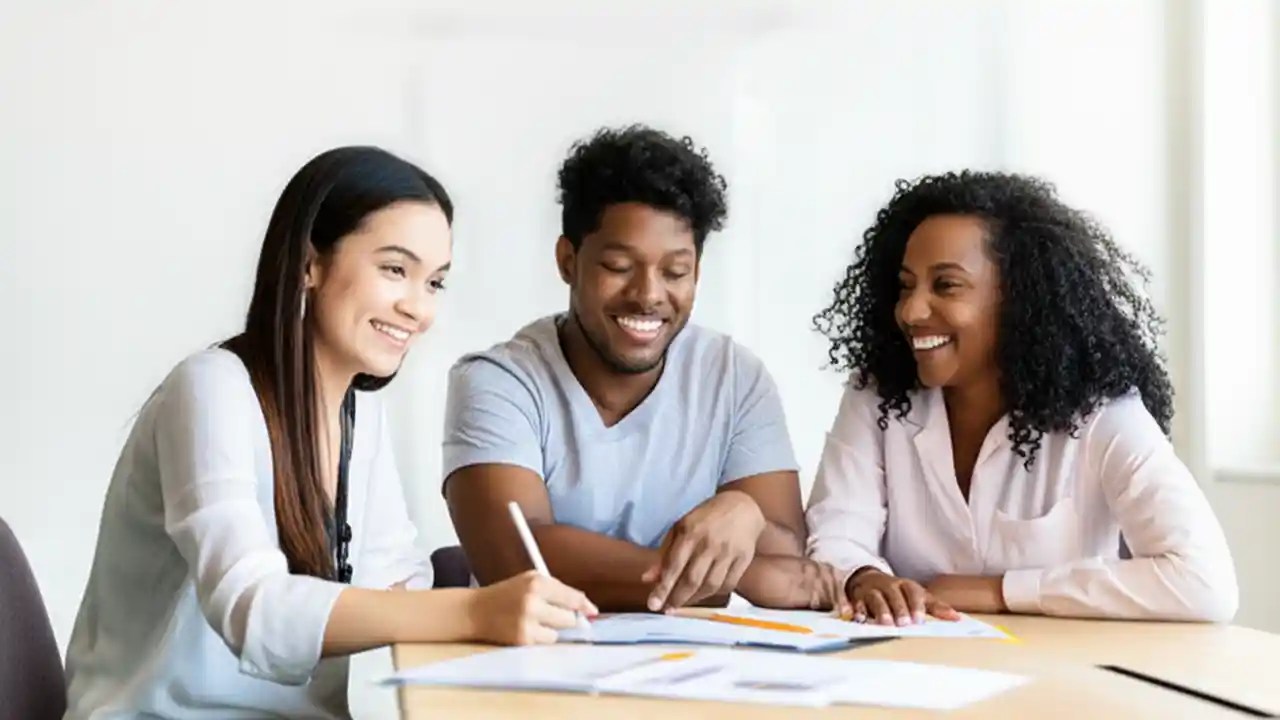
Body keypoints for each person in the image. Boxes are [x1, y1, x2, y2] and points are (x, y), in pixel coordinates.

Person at [64, 147, 595, 719]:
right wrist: (473, 612)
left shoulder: (356, 412)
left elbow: (396, 576)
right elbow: (253, 608)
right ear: (309, 264)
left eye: (434, 282)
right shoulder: (212, 388)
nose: (419, 308)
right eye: (395, 269)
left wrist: (497, 606)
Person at [444, 125, 849, 614]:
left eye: (675, 272)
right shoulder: (497, 382)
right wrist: (737, 573)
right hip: (530, 660)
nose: (649, 294)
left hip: (692, 670)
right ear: (568, 261)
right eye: (618, 265)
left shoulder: (736, 379)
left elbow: (789, 568)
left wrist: (747, 516)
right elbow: (516, 558)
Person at [805, 170, 1239, 626]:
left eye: (946, 285)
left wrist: (1001, 590)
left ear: (1019, 299)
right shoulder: (878, 395)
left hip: (1060, 677)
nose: (911, 311)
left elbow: (1204, 582)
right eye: (906, 285)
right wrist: (864, 578)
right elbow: (837, 531)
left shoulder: (1103, 416)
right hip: (908, 669)